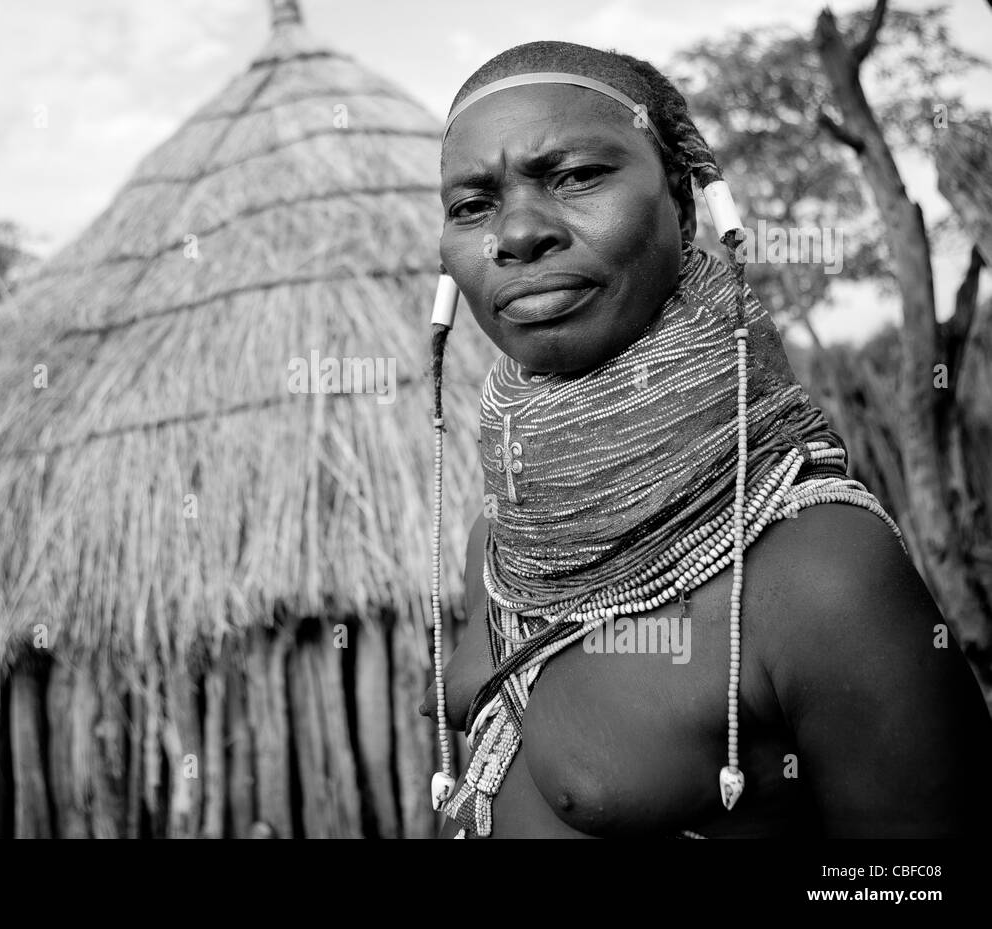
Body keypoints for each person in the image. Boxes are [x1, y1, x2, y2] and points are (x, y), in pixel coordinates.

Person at [421, 41, 992, 838]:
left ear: (685, 207)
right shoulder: (504, 546)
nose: (515, 233)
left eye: (577, 175)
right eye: (472, 205)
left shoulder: (818, 568)